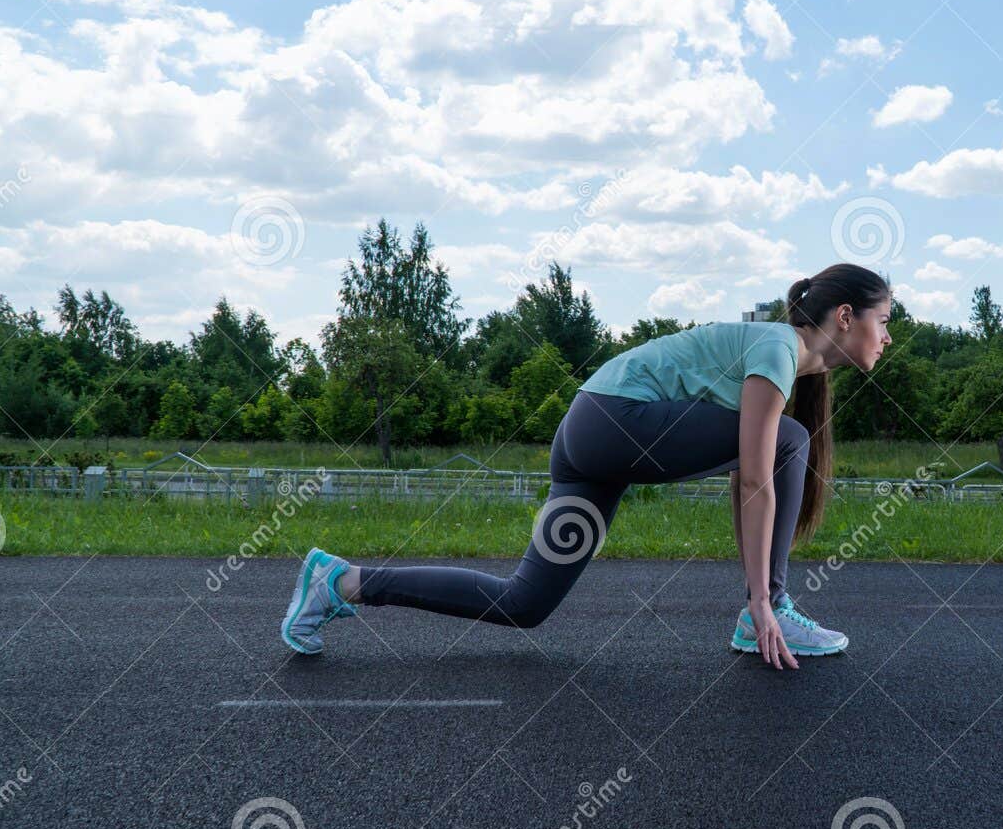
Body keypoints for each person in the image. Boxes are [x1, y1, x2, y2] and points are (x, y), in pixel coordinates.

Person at [280, 263, 893, 671]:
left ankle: (341, 581)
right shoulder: (779, 346)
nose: (886, 337)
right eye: (883, 321)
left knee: (524, 603)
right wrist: (761, 599)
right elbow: (756, 475)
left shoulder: (775, 351)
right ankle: (772, 609)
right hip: (614, 423)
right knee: (785, 440)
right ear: (845, 316)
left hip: (592, 437)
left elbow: (744, 472)